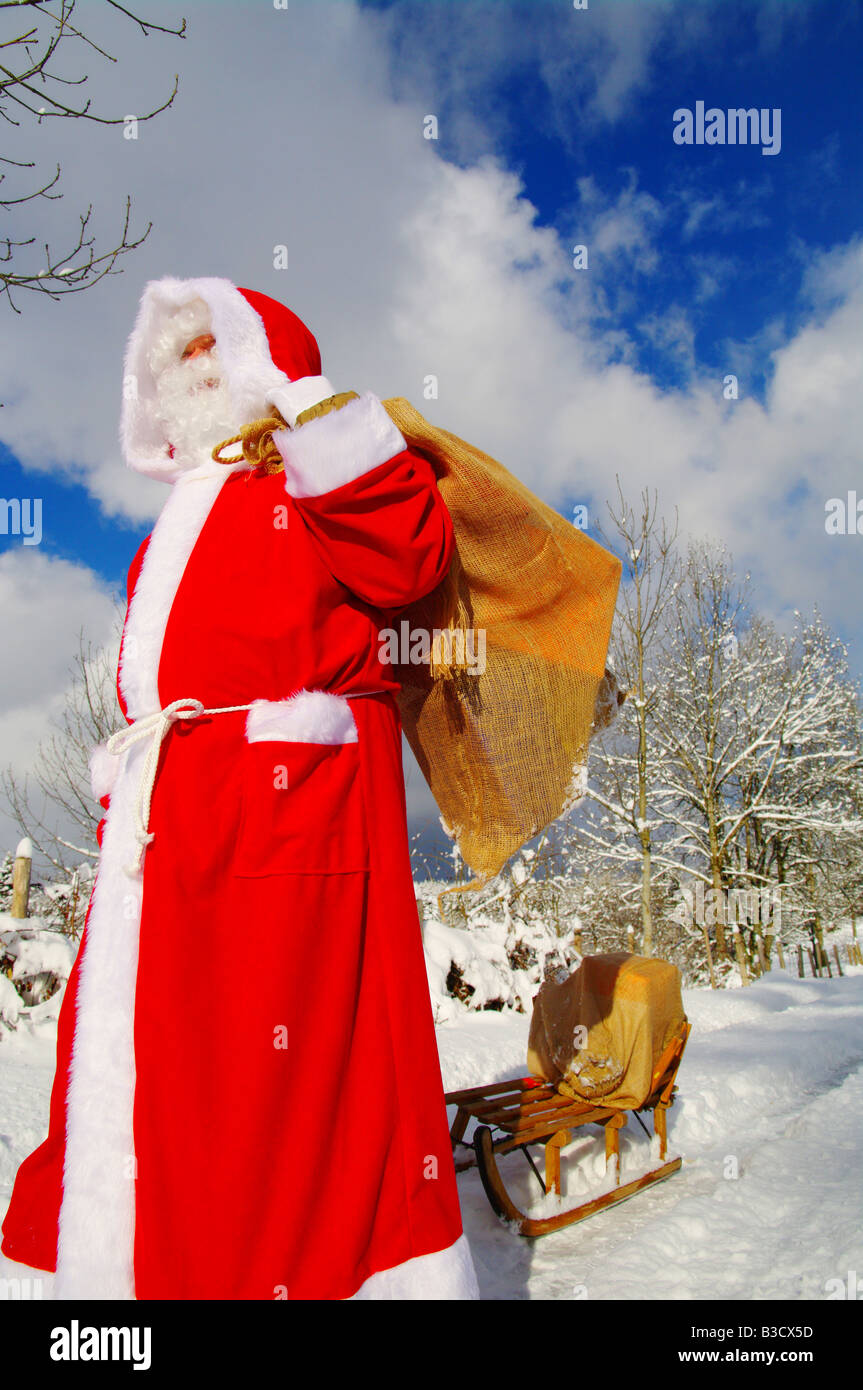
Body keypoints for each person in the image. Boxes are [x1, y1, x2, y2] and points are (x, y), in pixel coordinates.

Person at [1, 275, 480, 1301]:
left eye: (216, 352)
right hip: (168, 817)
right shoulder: (176, 517)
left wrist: (308, 411)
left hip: (285, 814)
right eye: (179, 361)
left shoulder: (323, 471)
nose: (197, 375)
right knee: (145, 1078)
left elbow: (410, 562)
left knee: (272, 1093)